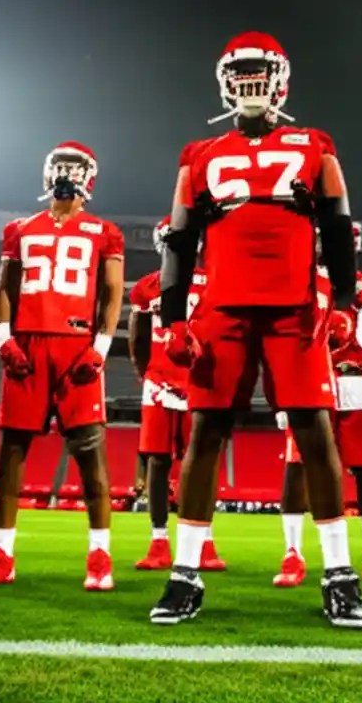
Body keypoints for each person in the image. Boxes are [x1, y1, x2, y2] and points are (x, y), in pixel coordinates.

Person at [149, 31, 362, 628]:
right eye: (239, 69)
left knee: (316, 434)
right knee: (204, 435)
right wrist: (172, 317)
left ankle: (340, 576)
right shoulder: (198, 154)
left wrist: (343, 300)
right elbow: (179, 236)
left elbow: (341, 227)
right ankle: (185, 575)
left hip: (294, 308)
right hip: (222, 309)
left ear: (280, 80)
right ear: (224, 78)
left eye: (258, 69)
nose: (249, 79)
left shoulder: (314, 144)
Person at [0, 141, 125, 591]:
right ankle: (2, 556)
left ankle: (99, 555)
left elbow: (112, 293)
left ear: (90, 177)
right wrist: (3, 336)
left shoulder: (105, 231)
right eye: (60, 167)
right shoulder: (20, 228)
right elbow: (6, 287)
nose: (66, 176)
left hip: (75, 346)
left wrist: (101, 347)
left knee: (91, 453)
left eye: (75, 168)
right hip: (28, 345)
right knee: (11, 453)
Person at [274, 224, 362, 588]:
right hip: (308, 383)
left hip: (353, 382)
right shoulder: (299, 281)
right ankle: (293, 553)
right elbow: (287, 340)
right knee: (297, 470)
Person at [129, 218, 225, 571]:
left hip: (195, 383)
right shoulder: (149, 287)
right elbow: (137, 336)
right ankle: (163, 542)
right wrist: (149, 375)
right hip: (165, 382)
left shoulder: (212, 283)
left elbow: (136, 338)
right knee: (160, 461)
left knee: (195, 461)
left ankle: (201, 540)